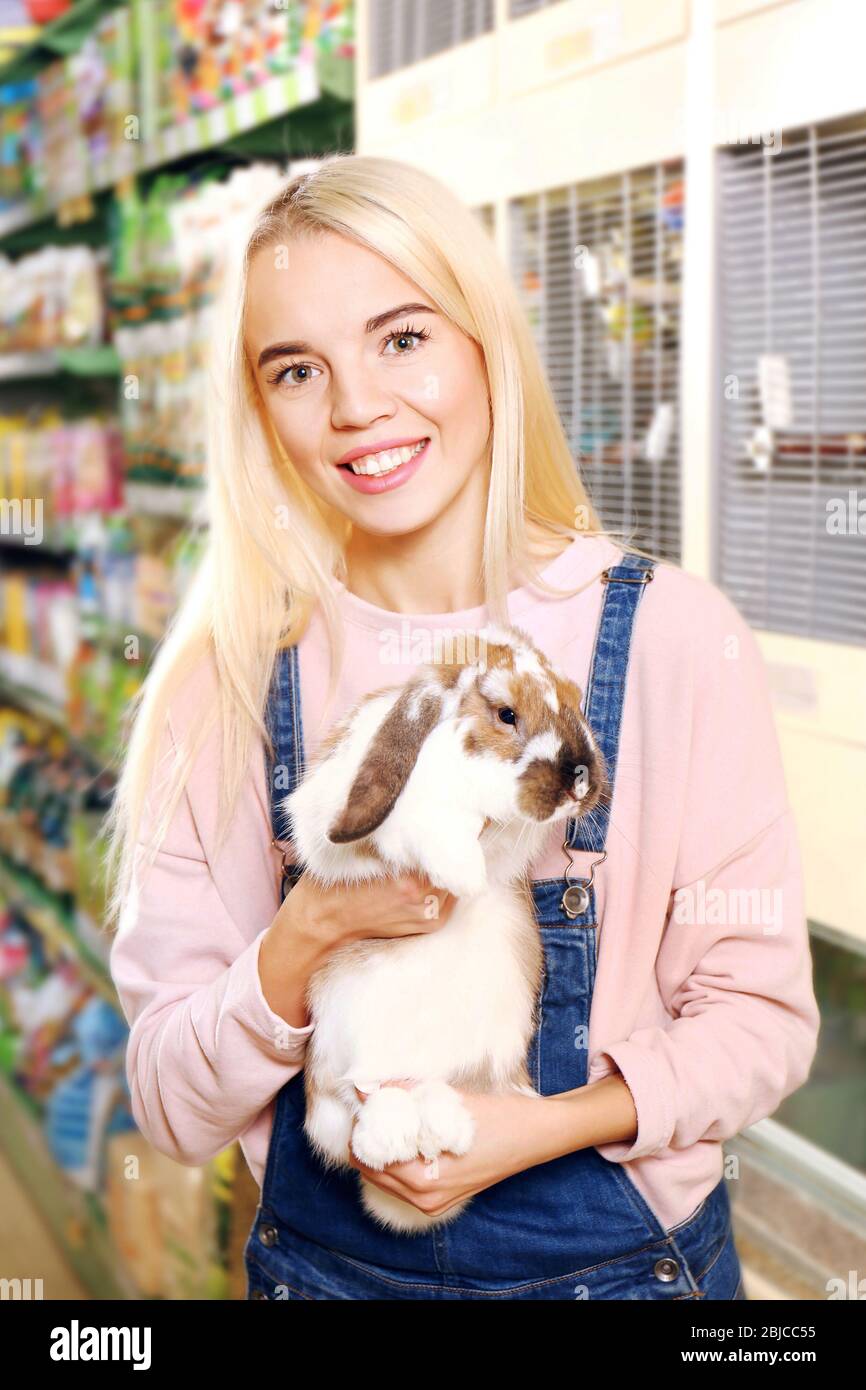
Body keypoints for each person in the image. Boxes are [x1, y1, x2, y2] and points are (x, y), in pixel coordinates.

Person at [106, 154, 820, 1301]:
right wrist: (301, 940)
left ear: (484, 337)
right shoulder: (227, 681)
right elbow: (173, 1109)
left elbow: (757, 1022)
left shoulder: (671, 639)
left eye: (401, 339)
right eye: (296, 367)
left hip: (624, 1273)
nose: (354, 407)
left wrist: (533, 1127)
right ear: (257, 406)